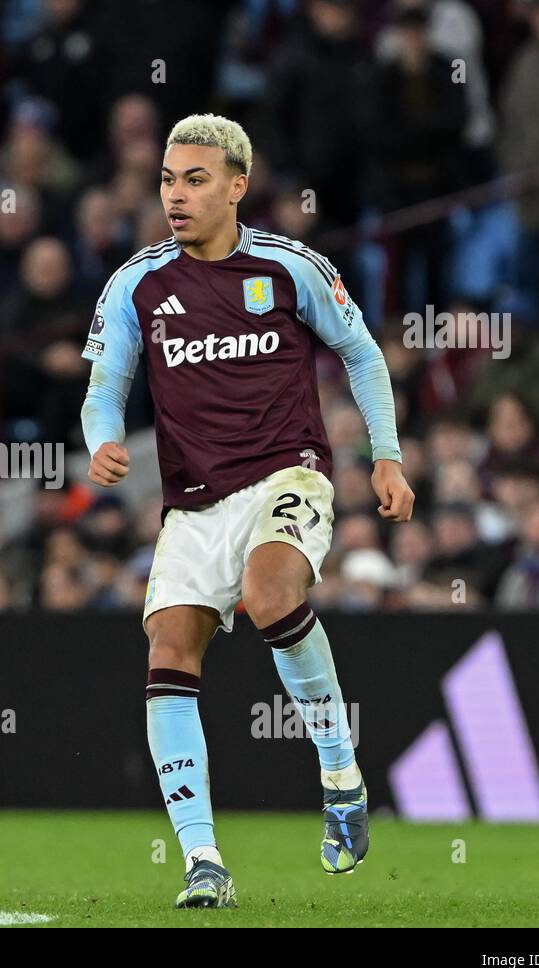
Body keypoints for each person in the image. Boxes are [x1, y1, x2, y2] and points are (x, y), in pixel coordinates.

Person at [79, 114, 413, 908]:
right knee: (168, 646)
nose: (175, 195)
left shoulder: (290, 266)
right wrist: (100, 442)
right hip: (191, 505)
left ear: (237, 185)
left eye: (194, 180)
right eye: (166, 180)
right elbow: (104, 388)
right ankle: (204, 863)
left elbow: (362, 353)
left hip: (285, 477)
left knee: (270, 597)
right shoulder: (137, 283)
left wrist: (387, 454)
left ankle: (339, 771)